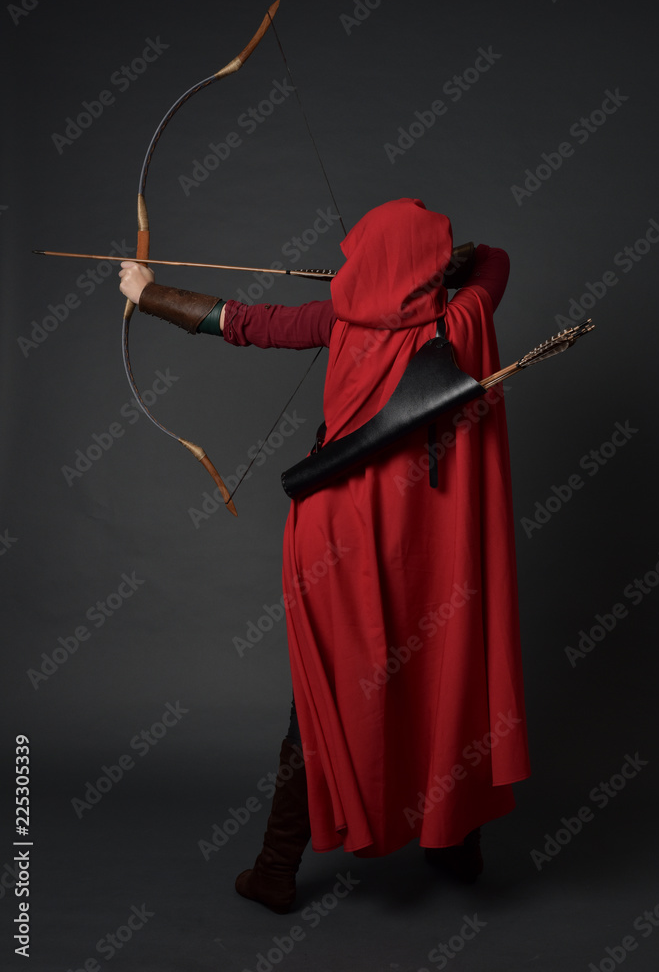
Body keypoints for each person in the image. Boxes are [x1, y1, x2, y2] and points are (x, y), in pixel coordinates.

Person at [119, 197, 530, 914]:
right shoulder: (462, 315)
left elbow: (241, 322)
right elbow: (495, 259)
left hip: (335, 536)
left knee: (327, 696)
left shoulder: (338, 318)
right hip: (430, 541)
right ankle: (453, 845)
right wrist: (449, 264)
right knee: (448, 667)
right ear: (431, 267)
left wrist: (146, 293)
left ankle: (278, 870)